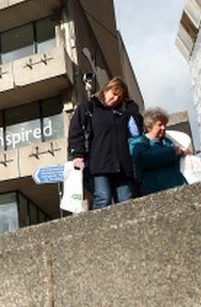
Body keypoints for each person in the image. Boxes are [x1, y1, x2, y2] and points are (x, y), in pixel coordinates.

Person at [68, 76, 143, 209]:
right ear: (106, 90)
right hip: (99, 164)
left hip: (122, 167)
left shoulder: (122, 113)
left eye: (119, 98)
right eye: (113, 94)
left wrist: (131, 108)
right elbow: (76, 131)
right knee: (103, 199)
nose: (114, 100)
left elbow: (136, 133)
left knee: (126, 202)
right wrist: (77, 155)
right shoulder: (89, 108)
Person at [129, 108, 189, 196]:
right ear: (149, 127)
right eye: (159, 124)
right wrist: (172, 152)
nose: (163, 128)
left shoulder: (168, 142)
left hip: (178, 187)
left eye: (164, 124)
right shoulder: (139, 142)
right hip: (156, 190)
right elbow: (141, 159)